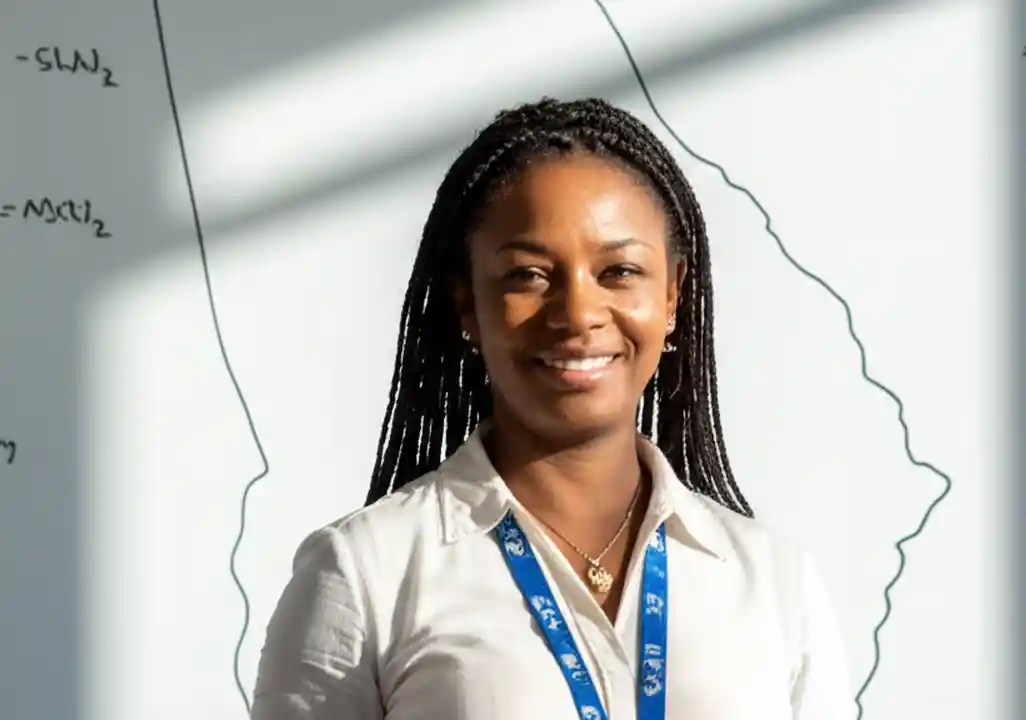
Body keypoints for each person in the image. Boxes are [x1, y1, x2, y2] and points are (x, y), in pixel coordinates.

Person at [250, 97, 854, 719]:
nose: (578, 314)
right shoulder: (365, 573)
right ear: (467, 305)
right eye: (528, 275)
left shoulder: (774, 581)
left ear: (673, 295)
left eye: (619, 271)